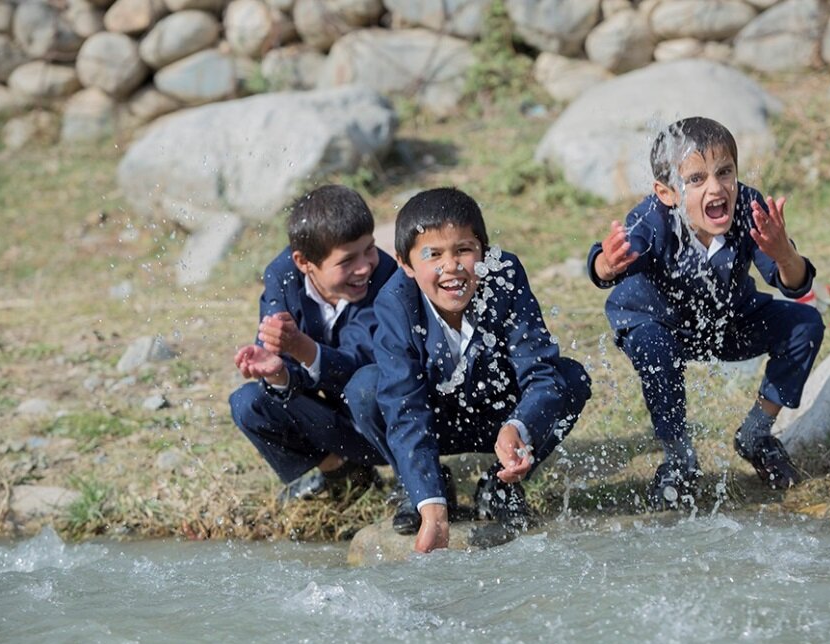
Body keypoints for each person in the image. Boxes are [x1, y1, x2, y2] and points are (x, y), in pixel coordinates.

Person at [586, 116, 824, 511]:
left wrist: (785, 254)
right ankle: (679, 457)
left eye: (724, 172)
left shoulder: (749, 208)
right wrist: (606, 266)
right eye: (695, 179)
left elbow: (794, 284)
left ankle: (756, 434)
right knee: (652, 346)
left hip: (726, 321)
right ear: (667, 192)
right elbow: (609, 263)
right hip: (659, 325)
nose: (716, 187)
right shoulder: (652, 219)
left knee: (804, 323)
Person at [345, 187, 591, 553]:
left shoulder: (504, 276)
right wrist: (434, 513)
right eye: (433, 254)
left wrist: (518, 426)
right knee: (364, 389)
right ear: (406, 264)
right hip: (435, 420)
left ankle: (500, 485)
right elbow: (404, 405)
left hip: (498, 418)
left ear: (485, 253)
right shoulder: (395, 301)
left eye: (463, 250)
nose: (452, 266)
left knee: (570, 378)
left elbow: (539, 371)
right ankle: (423, 489)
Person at [229, 184, 397, 503]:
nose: (364, 266)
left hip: (386, 420)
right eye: (347, 260)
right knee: (248, 402)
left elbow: (360, 363)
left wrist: (301, 347)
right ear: (304, 262)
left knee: (366, 386)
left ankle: (413, 477)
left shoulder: (386, 277)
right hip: (337, 422)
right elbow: (284, 368)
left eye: (369, 249)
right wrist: (277, 372)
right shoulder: (283, 278)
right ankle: (341, 471)